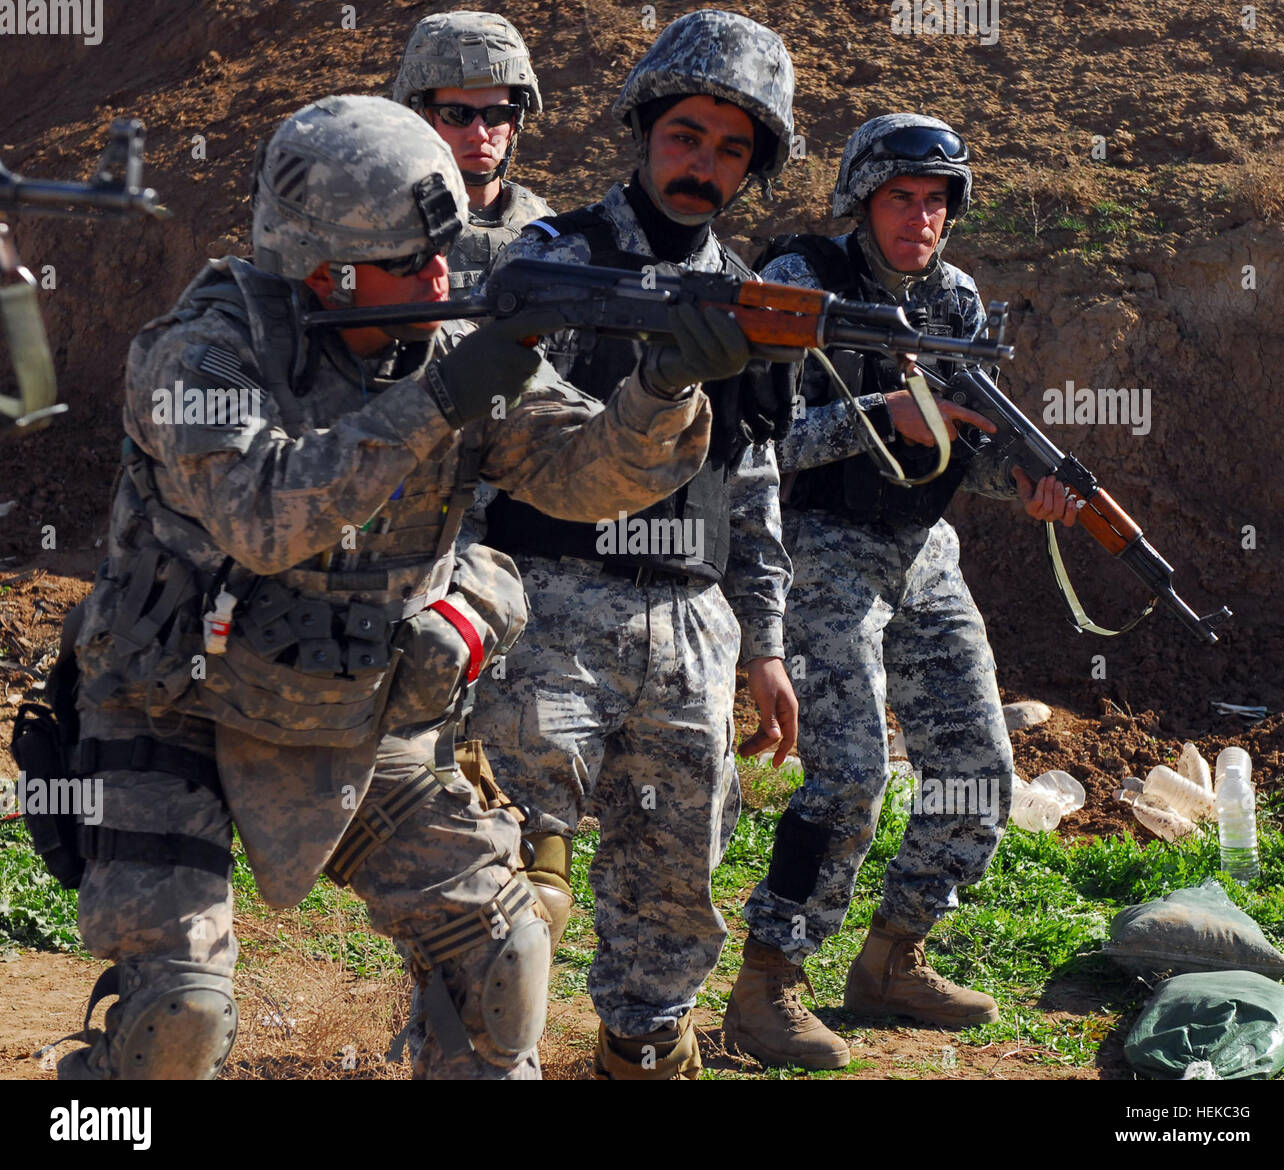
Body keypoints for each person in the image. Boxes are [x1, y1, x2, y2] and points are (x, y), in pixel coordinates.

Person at [50, 94, 726, 1082]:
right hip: (175, 709)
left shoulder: (449, 351)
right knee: (176, 1023)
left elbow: (583, 477)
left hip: (361, 711)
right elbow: (262, 518)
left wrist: (660, 395)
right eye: (410, 263)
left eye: (442, 251)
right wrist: (441, 402)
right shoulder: (200, 349)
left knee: (505, 976)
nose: (440, 278)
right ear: (325, 270)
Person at [461, 9, 800, 1079]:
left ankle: (643, 1047)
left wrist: (764, 644)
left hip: (688, 617)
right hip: (545, 599)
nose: (704, 166)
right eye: (686, 136)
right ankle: (466, 1043)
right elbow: (500, 434)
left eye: (732, 149)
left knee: (676, 880)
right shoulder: (555, 260)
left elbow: (751, 483)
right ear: (644, 130)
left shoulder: (753, 297)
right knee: (513, 867)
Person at [722, 113, 1079, 1070]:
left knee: (977, 770)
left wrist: (1027, 485)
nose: (921, 219)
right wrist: (875, 415)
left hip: (922, 553)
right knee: (849, 779)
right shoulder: (798, 281)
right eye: (900, 199)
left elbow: (975, 431)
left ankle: (891, 961)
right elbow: (750, 443)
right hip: (815, 550)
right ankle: (766, 985)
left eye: (936, 202)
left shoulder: (955, 300)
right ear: (860, 201)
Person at [393, 11, 552, 294]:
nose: (479, 133)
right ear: (421, 118)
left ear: (516, 122)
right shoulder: (388, 234)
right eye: (457, 114)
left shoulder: (544, 227)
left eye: (497, 114)